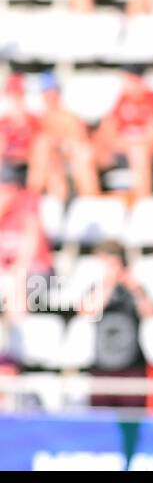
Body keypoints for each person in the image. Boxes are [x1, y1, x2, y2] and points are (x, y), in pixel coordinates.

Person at [80, 241, 153, 408]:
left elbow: (151, 313)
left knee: (132, 425)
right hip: (102, 367)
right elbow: (89, 311)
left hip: (132, 367)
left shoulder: (134, 289)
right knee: (100, 426)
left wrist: (133, 286)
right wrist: (108, 284)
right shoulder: (96, 289)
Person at [91, 66, 153, 202]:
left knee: (139, 152)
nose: (124, 83)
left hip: (150, 154)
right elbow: (107, 131)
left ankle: (142, 203)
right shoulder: (122, 100)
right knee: (84, 153)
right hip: (121, 151)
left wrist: (129, 143)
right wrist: (124, 143)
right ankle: (92, 202)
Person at [26, 74, 99, 202]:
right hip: (50, 163)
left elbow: (80, 141)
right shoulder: (37, 120)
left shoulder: (69, 118)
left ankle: (90, 200)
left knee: (80, 157)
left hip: (67, 159)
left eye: (54, 93)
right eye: (48, 94)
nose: (51, 97)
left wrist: (63, 145)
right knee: (48, 160)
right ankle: (33, 200)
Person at [0, 163, 52, 320]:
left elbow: (26, 256)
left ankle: (16, 336)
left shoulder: (27, 205)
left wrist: (16, 279)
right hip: (7, 272)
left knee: (13, 288)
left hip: (35, 273)